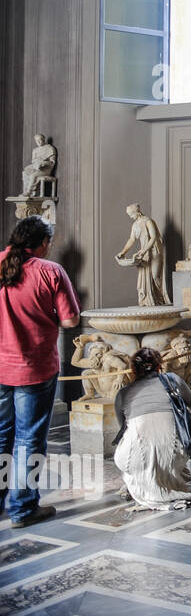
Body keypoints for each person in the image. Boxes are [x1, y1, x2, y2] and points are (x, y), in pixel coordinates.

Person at [0, 217, 80, 526]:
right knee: (28, 440)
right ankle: (22, 508)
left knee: (2, 436)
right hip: (34, 368)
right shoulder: (50, 271)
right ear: (44, 243)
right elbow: (71, 321)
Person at [112, 348, 191, 510]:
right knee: (168, 455)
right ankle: (167, 472)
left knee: (132, 454)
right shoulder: (172, 380)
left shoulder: (123, 393)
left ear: (133, 369)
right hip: (173, 453)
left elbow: (123, 428)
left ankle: (145, 480)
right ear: (159, 365)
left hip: (134, 457)